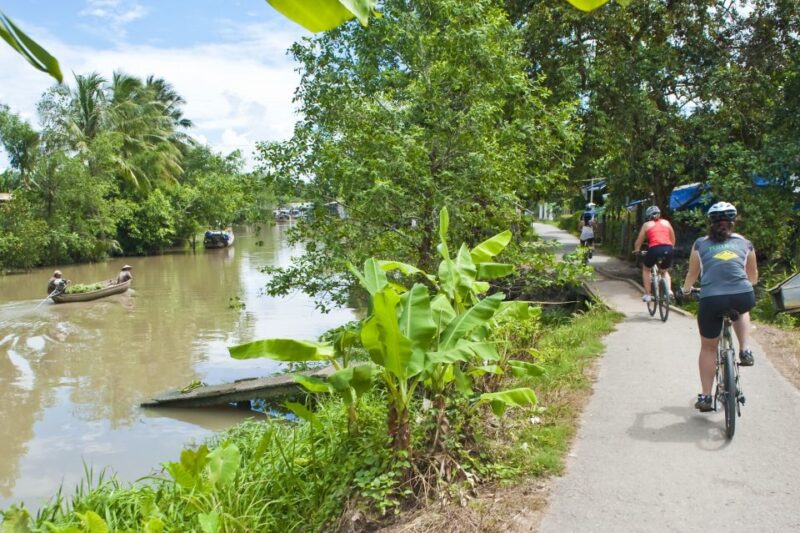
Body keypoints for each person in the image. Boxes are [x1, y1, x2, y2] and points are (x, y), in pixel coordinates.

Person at [680, 202, 758, 412]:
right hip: (742, 295)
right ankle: (745, 350)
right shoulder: (745, 243)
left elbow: (692, 274)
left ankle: (706, 397)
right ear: (733, 222)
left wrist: (686, 290)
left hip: (711, 299)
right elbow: (753, 277)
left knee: (708, 348)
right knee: (742, 308)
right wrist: (743, 285)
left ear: (710, 223)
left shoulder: (700, 244)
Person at [633, 205, 676, 302]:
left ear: (648, 216)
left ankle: (648, 295)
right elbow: (673, 238)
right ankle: (669, 291)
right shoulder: (666, 222)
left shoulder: (646, 225)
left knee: (646, 269)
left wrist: (637, 250)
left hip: (654, 249)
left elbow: (639, 241)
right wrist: (671, 248)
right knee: (664, 271)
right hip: (668, 248)